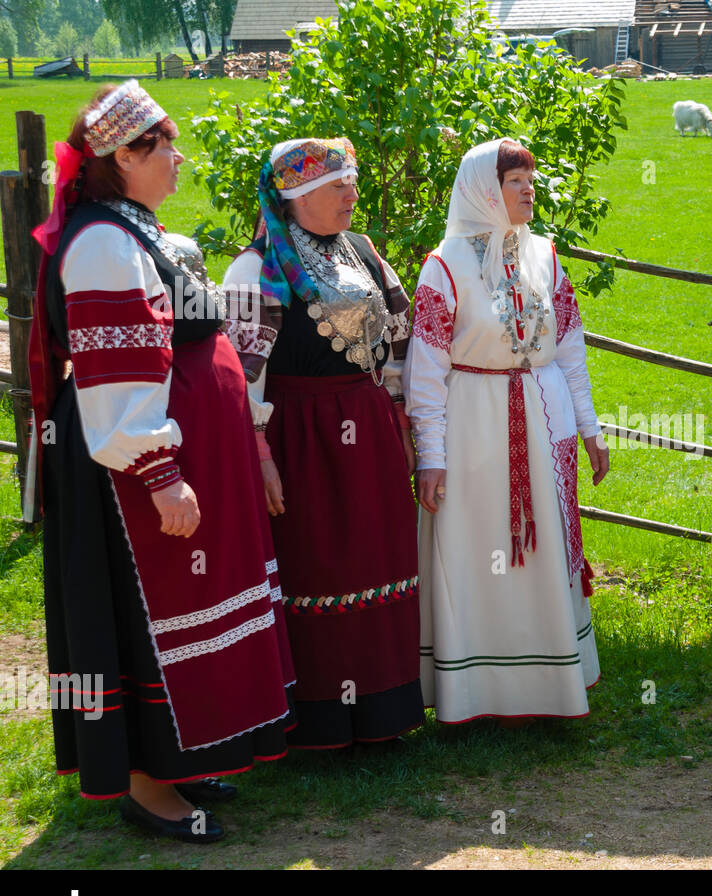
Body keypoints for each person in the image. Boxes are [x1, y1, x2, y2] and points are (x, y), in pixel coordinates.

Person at [27, 81, 295, 842]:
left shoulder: (129, 228)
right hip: (127, 475)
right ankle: (146, 785)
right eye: (165, 147)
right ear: (126, 156)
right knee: (138, 615)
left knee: (173, 612)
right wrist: (160, 474)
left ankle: (179, 757)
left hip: (161, 457)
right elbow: (116, 378)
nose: (179, 159)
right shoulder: (106, 245)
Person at [222, 138, 424, 747]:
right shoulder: (255, 268)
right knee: (318, 563)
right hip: (301, 436)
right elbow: (241, 373)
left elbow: (398, 336)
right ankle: (321, 720)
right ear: (296, 196)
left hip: (370, 428)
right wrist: (258, 453)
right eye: (338, 186)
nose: (351, 195)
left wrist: (401, 418)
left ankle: (384, 714)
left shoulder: (363, 254)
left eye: (352, 183)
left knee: (380, 556)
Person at [403, 138, 606, 725]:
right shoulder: (444, 268)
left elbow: (570, 349)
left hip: (543, 418)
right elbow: (427, 373)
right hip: (473, 428)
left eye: (530, 179)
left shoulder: (544, 255)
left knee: (541, 547)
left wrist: (589, 428)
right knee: (478, 547)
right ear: (483, 190)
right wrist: (432, 457)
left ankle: (548, 685)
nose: (528, 189)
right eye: (514, 180)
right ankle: (478, 692)